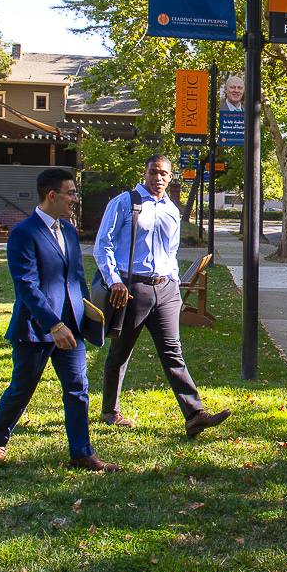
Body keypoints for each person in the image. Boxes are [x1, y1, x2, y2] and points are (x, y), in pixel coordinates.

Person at [0, 168, 120, 471]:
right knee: (22, 387)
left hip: (71, 327)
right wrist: (52, 325)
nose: (75, 199)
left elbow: (77, 277)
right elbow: (27, 287)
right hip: (36, 329)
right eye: (70, 193)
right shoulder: (23, 233)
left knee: (77, 387)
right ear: (52, 195)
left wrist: (87, 315)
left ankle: (82, 453)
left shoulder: (69, 231)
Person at [94, 154, 231, 437]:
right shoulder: (124, 202)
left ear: (171, 177)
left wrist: (175, 285)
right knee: (121, 351)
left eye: (164, 174)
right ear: (144, 173)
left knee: (173, 351)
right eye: (153, 172)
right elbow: (103, 245)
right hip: (132, 289)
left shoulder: (171, 209)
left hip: (166, 290)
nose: (158, 178)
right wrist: (114, 281)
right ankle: (110, 410)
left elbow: (171, 251)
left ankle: (194, 415)